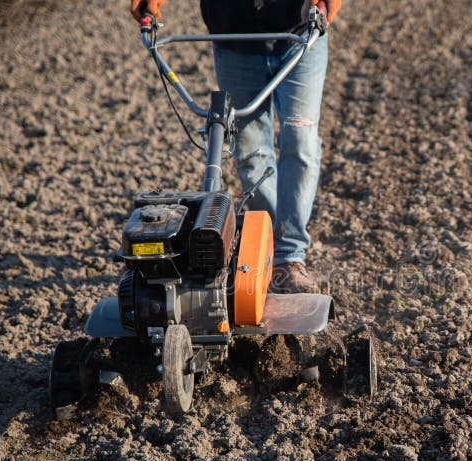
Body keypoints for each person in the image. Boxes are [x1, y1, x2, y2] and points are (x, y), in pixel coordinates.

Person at [129, 0, 341, 293]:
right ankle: (266, 247)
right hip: (233, 40)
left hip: (300, 34)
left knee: (300, 139)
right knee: (250, 150)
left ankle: (289, 257)